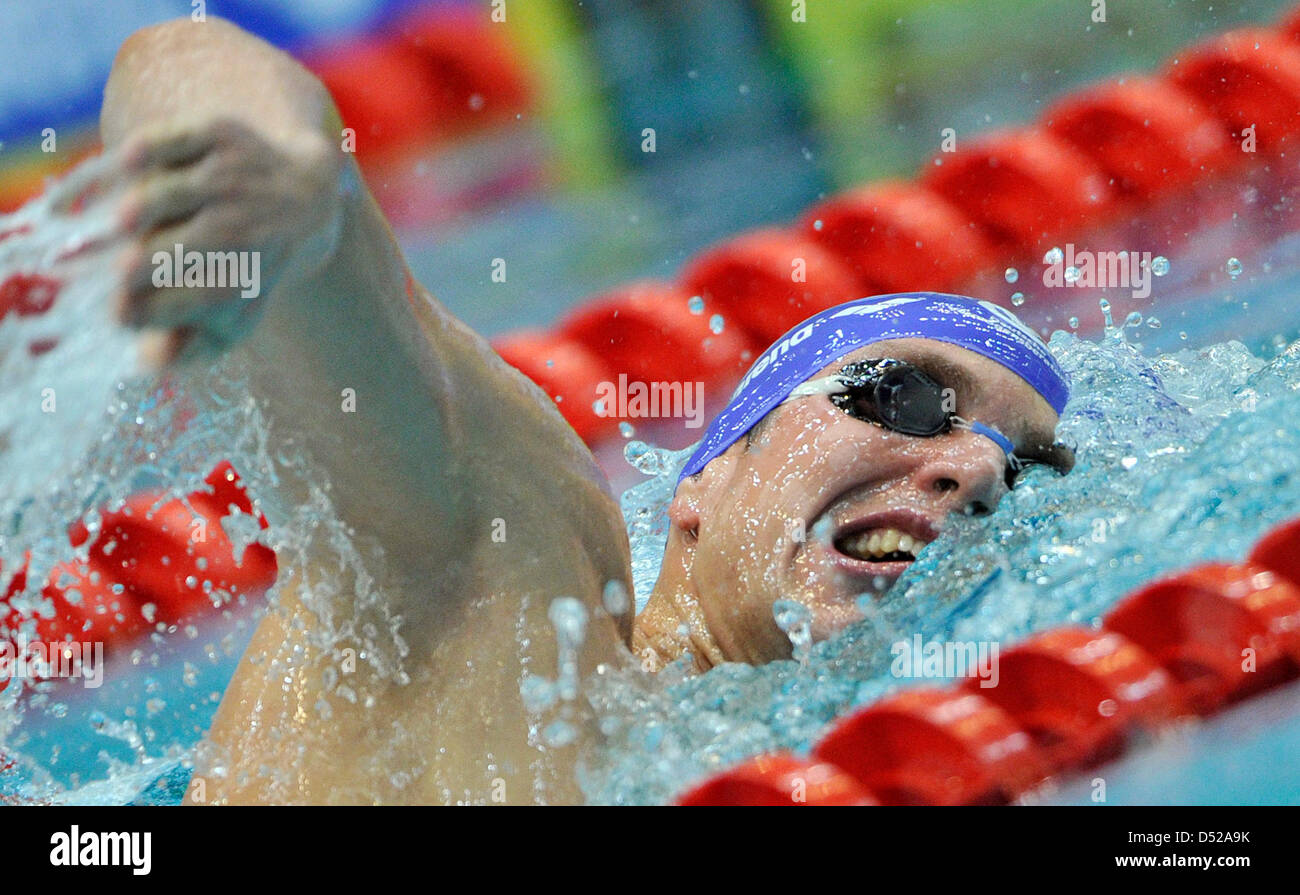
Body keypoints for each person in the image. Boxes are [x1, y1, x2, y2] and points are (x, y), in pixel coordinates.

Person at [98, 17, 1071, 804]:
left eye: (1021, 469)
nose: (978, 472)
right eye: (900, 398)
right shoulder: (508, 580)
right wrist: (261, 158)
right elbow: (177, 57)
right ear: (708, 472)